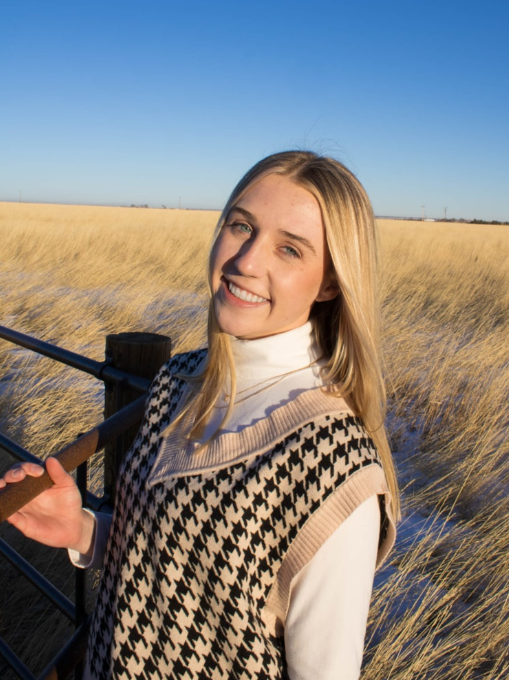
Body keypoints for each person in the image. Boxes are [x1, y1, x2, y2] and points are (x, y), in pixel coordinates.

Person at [1, 151, 398, 680]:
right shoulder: (181, 379)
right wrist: (84, 531)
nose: (247, 261)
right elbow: (175, 558)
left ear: (329, 283)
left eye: (289, 248)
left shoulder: (334, 472)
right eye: (241, 226)